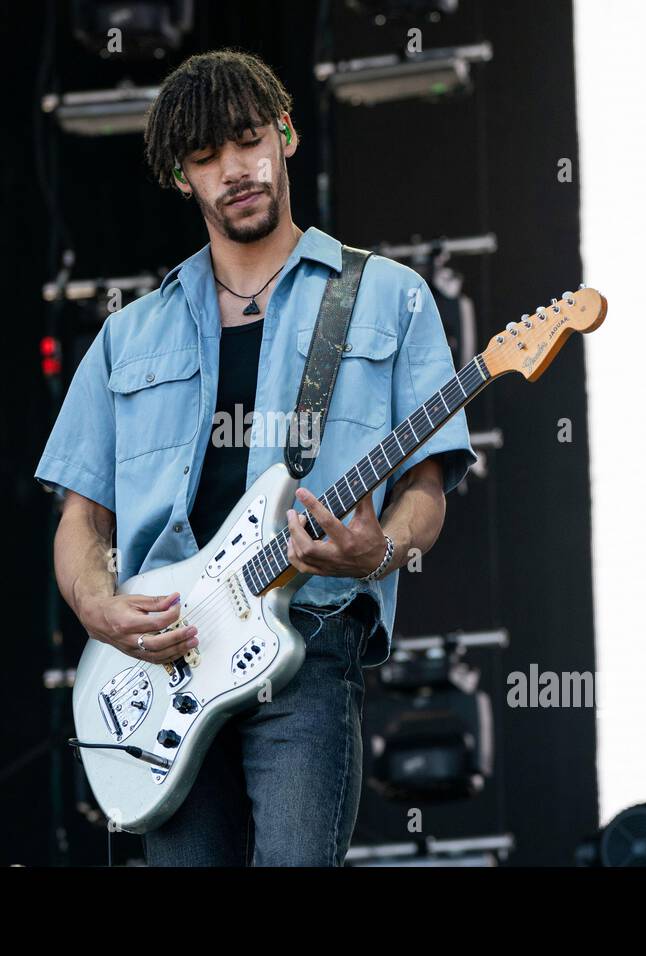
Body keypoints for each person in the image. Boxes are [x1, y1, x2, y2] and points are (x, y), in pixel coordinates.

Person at [33, 48, 474, 865]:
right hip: (163, 657)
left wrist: (380, 550)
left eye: (246, 141)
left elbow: (427, 487)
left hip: (306, 638)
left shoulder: (386, 295)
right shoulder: (127, 334)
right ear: (179, 179)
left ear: (286, 135)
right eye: (204, 158)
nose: (233, 170)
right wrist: (98, 608)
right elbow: (80, 519)